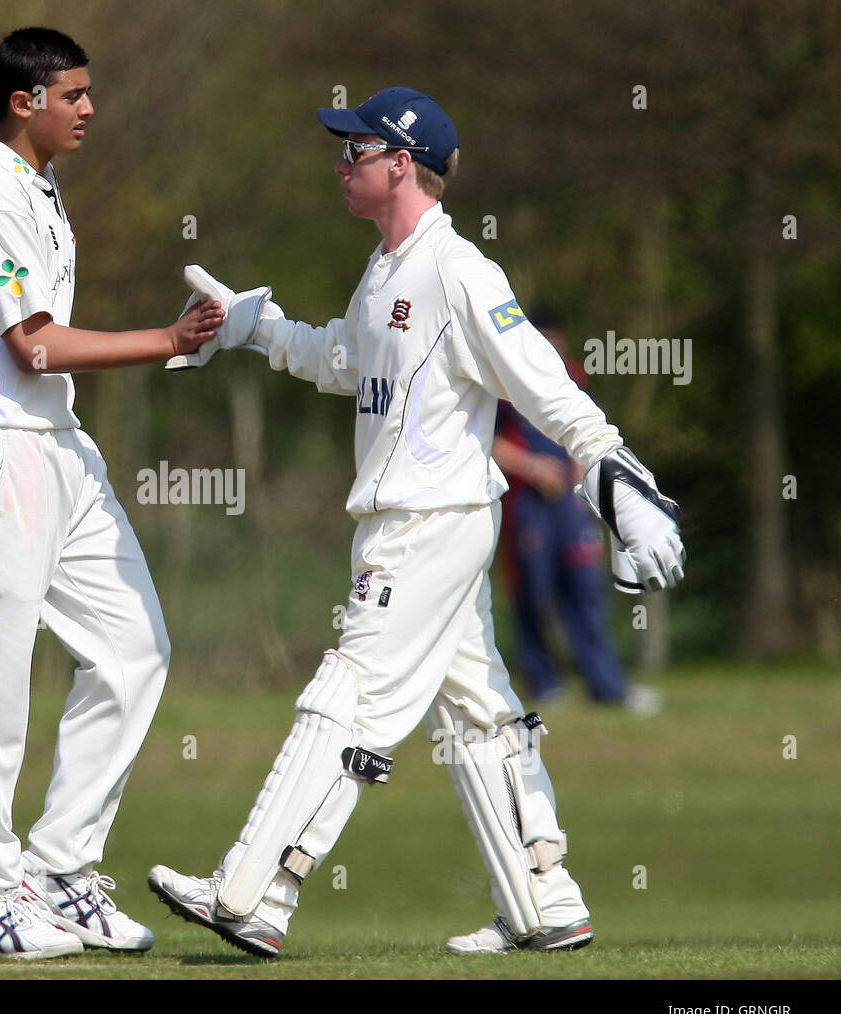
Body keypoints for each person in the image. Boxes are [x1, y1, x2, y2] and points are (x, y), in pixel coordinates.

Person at [148, 87, 684, 957]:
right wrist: (257, 327)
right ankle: (544, 899)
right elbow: (344, 361)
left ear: (401, 163)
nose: (340, 164)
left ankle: (253, 893)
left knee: (349, 694)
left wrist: (614, 469)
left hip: (427, 522)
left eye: (353, 150)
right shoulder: (386, 269)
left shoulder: (460, 270)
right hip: (421, 522)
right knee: (478, 714)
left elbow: (540, 380)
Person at [0, 26, 223, 961]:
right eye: (73, 95)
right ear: (24, 102)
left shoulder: (40, 190)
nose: (89, 109)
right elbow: (34, 346)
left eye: (89, 93)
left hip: (57, 443)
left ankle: (58, 868)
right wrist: (169, 342)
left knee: (136, 649)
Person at [492, 316, 659, 715]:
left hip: (569, 503)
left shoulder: (573, 377)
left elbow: (585, 434)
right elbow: (486, 441)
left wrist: (587, 488)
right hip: (526, 503)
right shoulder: (502, 382)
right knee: (532, 592)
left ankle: (606, 686)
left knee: (586, 592)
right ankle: (544, 683)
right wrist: (531, 467)